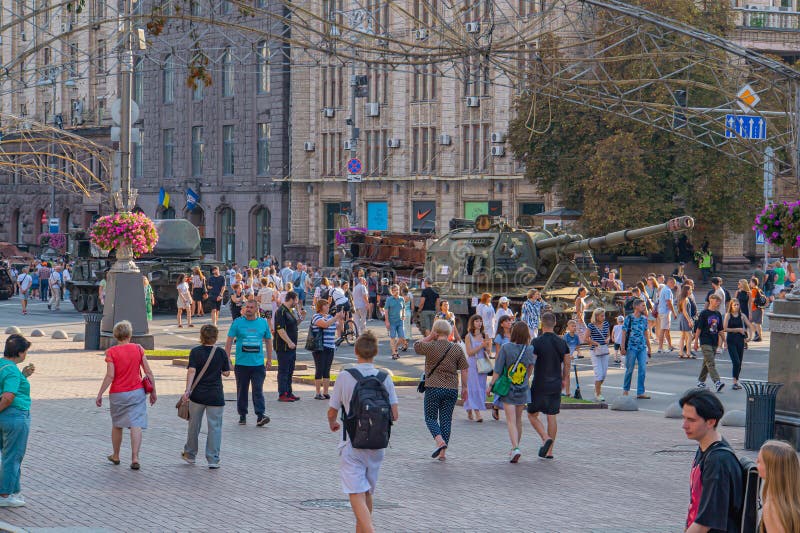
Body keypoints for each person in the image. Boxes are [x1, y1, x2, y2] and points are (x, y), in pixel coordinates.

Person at [327, 331, 399, 533]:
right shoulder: (385, 377)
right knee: (366, 492)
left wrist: (332, 422)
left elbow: (332, 409)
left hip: (353, 442)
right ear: (375, 352)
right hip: (378, 444)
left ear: (356, 351)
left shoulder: (345, 376)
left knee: (355, 493)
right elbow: (395, 413)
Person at [95, 321, 157, 470]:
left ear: (116, 335)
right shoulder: (138, 349)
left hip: (118, 393)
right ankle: (135, 457)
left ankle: (116, 455)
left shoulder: (111, 352)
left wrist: (100, 393)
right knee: (136, 424)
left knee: (117, 424)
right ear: (130, 334)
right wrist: (153, 391)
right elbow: (148, 372)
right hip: (137, 392)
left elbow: (110, 376)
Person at [680, 388, 743, 533]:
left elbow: (704, 524)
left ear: (711, 422)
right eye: (684, 418)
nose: (684, 425)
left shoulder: (718, 462)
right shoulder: (706, 448)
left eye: (691, 420)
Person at [414, 320, 468, 461]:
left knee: (430, 418)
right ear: (449, 332)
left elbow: (416, 346)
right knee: (446, 420)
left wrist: (431, 336)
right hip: (451, 389)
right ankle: (443, 453)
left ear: (435, 331)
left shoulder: (430, 346)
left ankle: (439, 441)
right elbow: (464, 368)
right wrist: (465, 387)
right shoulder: (456, 348)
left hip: (433, 387)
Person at [181, 325, 231, 469]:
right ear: (216, 336)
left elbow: (191, 371)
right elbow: (226, 373)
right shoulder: (220, 353)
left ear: (201, 336)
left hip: (197, 395)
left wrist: (187, 390)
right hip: (215, 395)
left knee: (193, 426)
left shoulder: (195, 352)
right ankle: (213, 459)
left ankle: (190, 454)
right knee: (215, 427)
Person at [489, 322, 534, 462]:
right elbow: (529, 371)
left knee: (510, 420)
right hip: (522, 388)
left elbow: (497, 370)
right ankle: (516, 447)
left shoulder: (506, 348)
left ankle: (515, 448)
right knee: (518, 420)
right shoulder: (530, 349)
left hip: (508, 389)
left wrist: (490, 385)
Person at [527, 313, 571, 459]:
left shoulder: (536, 342)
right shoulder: (562, 342)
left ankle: (545, 437)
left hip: (539, 382)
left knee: (532, 414)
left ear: (541, 323)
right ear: (555, 323)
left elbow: (531, 363)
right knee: (552, 416)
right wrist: (564, 379)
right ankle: (550, 451)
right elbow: (567, 363)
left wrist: (526, 379)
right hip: (555, 383)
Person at [0, 335, 35, 507]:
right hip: (15, 416)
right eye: (26, 351)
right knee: (13, 456)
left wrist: (24, 376)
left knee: (7, 455)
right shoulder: (12, 370)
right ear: (20, 353)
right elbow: (8, 396)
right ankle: (5, 495)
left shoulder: (3, 365)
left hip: (4, 418)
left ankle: (13, 491)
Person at [225, 300, 272, 425]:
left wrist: (270, 359)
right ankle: (242, 415)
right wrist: (227, 359)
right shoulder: (238, 322)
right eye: (247, 307)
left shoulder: (263, 323)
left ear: (257, 309)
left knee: (258, 390)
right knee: (242, 390)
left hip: (258, 364)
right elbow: (229, 341)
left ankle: (260, 415)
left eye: (251, 307)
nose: (248, 309)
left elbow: (268, 340)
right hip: (241, 364)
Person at [757, 440, 800, 533]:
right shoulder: (792, 500)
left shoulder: (772, 507)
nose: (755, 463)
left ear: (771, 469)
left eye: (759, 461)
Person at [620, 298, 652, 399]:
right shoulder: (629, 318)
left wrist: (649, 348)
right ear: (636, 307)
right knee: (629, 370)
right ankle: (625, 390)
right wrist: (622, 347)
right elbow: (624, 333)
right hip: (631, 348)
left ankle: (640, 392)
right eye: (642, 305)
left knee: (642, 369)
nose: (644, 307)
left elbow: (646, 334)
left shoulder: (644, 319)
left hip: (642, 347)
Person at [693, 294, 726, 393]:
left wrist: (725, 341)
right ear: (711, 300)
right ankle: (717, 382)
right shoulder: (704, 313)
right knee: (711, 363)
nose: (718, 303)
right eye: (717, 301)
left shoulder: (718, 314)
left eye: (719, 301)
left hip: (714, 341)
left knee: (707, 362)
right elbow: (699, 328)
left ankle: (700, 381)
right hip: (705, 341)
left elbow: (720, 330)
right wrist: (695, 342)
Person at [274, 291, 301, 402]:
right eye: (296, 300)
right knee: (284, 371)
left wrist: (301, 318)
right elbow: (280, 329)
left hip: (292, 347)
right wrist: (289, 342)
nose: (297, 302)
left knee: (290, 370)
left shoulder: (290, 311)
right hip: (284, 347)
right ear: (292, 299)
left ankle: (289, 392)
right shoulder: (281, 311)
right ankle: (282, 394)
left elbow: (292, 325)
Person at [311, 300, 341, 400]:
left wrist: (340, 318)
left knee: (327, 370)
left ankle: (326, 392)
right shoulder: (316, 317)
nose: (328, 307)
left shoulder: (330, 317)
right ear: (321, 306)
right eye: (326, 305)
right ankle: (318, 392)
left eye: (328, 305)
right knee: (320, 369)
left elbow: (338, 327)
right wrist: (336, 317)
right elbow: (325, 325)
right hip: (320, 347)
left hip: (330, 346)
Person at [463, 315, 491, 423]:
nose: (479, 323)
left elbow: (488, 351)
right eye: (476, 321)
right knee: (472, 387)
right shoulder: (468, 336)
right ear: (472, 323)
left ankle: (469, 407)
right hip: (472, 363)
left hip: (482, 364)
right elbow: (469, 352)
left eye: (480, 321)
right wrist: (481, 346)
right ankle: (477, 412)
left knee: (480, 387)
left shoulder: (485, 335)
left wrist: (487, 347)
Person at [724, 300, 754, 391]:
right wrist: (737, 329)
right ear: (731, 306)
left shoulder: (742, 316)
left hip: (740, 341)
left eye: (737, 304)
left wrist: (750, 336)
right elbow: (725, 328)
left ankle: (736, 380)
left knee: (739, 363)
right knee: (736, 361)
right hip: (731, 341)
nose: (736, 306)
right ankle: (734, 382)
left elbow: (749, 325)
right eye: (734, 305)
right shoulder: (728, 315)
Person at [584, 309, 611, 402]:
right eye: (601, 316)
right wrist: (595, 343)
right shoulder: (591, 326)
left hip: (604, 350)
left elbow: (608, 335)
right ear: (596, 316)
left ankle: (597, 387)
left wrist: (608, 339)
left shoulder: (606, 324)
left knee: (604, 374)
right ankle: (598, 393)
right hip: (595, 351)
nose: (603, 317)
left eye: (604, 315)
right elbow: (585, 338)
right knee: (599, 374)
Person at [384, 284, 405, 360]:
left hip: (400, 321)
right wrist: (387, 321)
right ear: (391, 291)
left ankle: (395, 347)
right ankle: (394, 353)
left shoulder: (402, 299)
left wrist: (403, 315)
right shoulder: (389, 299)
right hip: (391, 321)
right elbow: (386, 310)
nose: (395, 291)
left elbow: (403, 308)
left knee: (402, 337)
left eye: (397, 290)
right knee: (393, 337)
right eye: (394, 290)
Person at [656, 277, 677, 353]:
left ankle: (670, 345)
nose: (674, 285)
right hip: (665, 312)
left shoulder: (664, 289)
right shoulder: (667, 290)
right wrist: (674, 312)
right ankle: (660, 348)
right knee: (663, 329)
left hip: (662, 311)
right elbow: (669, 302)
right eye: (673, 283)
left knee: (666, 329)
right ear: (670, 282)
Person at [677, 284, 694, 359]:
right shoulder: (685, 299)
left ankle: (681, 352)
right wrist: (689, 320)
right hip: (685, 318)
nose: (691, 291)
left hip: (682, 318)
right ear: (687, 290)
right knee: (690, 336)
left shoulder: (682, 298)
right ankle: (688, 352)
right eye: (690, 289)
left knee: (683, 336)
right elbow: (685, 311)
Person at [749, 277, 764, 342]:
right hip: (759, 308)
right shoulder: (759, 289)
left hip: (755, 308)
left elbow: (752, 300)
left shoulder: (754, 290)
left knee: (755, 323)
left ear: (753, 283)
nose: (750, 283)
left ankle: (758, 336)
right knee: (757, 323)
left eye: (750, 282)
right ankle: (758, 335)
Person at [400, 283, 413, 352]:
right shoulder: (409, 297)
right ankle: (405, 344)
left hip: (403, 313)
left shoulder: (402, 298)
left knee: (403, 329)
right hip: (409, 313)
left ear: (402, 292)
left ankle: (404, 345)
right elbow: (412, 306)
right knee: (407, 328)